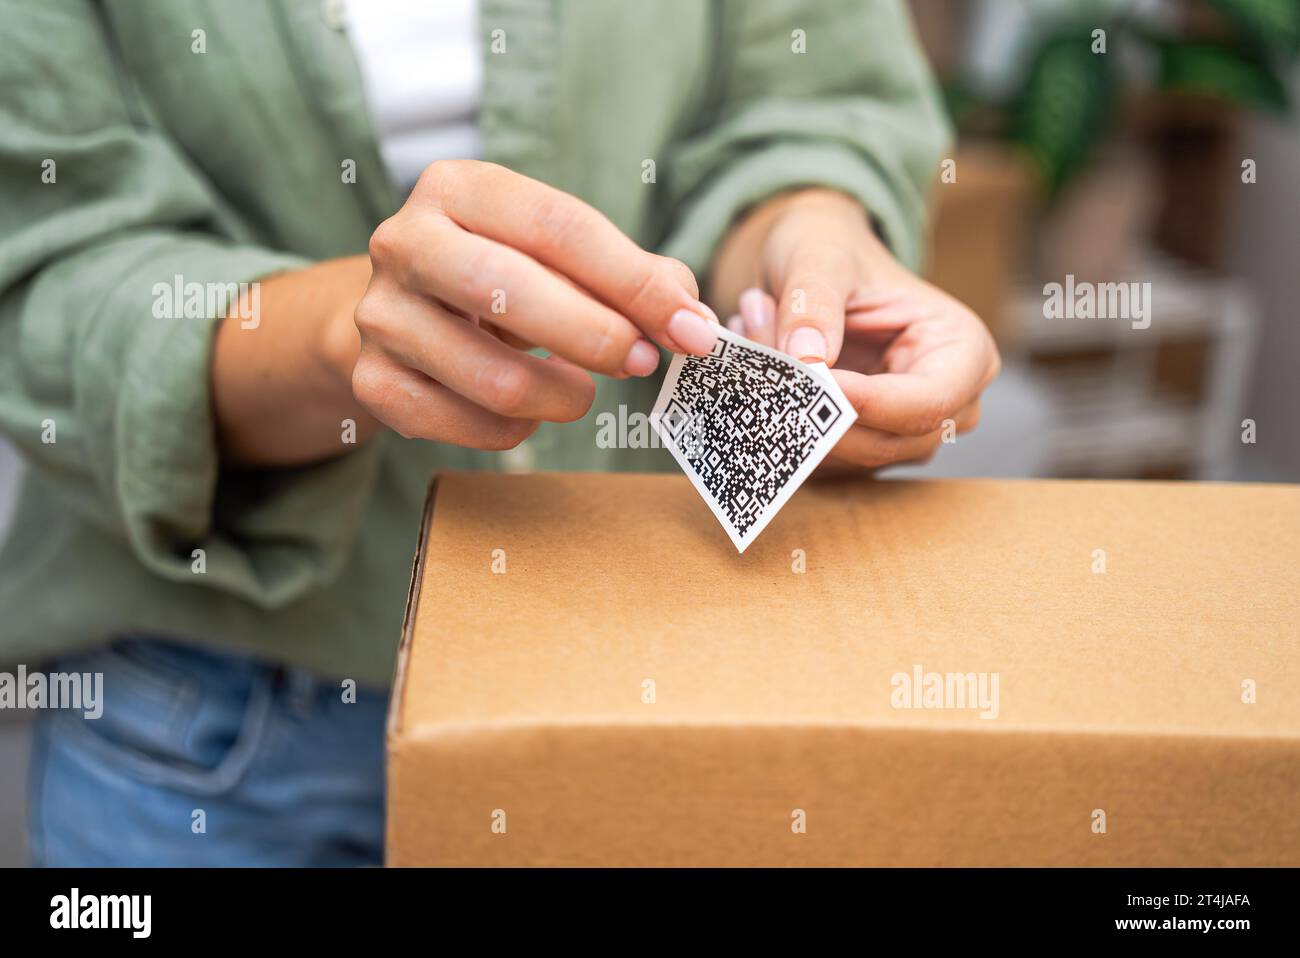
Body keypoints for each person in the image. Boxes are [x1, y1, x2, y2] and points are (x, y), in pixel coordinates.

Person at [0, 0, 999, 865]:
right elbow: (42, 268)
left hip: (640, 673)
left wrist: (808, 245)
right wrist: (344, 334)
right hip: (209, 720)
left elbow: (811, 100)